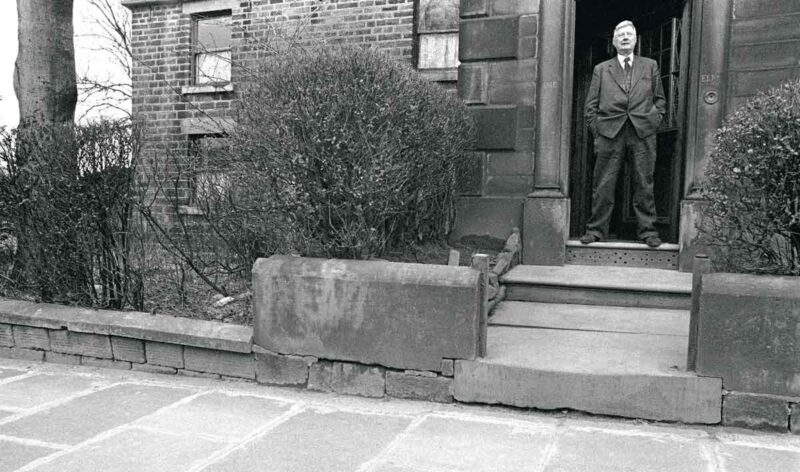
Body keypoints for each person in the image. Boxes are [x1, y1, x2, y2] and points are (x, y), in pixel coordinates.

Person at [581, 20, 666, 248]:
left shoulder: (650, 65)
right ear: (614, 41)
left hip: (642, 132)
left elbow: (660, 100)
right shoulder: (602, 69)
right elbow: (590, 106)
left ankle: (648, 232)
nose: (625, 38)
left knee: (644, 183)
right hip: (609, 133)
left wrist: (654, 122)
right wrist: (597, 131)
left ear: (636, 39)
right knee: (604, 184)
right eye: (621, 35)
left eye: (629, 34)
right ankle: (596, 230)